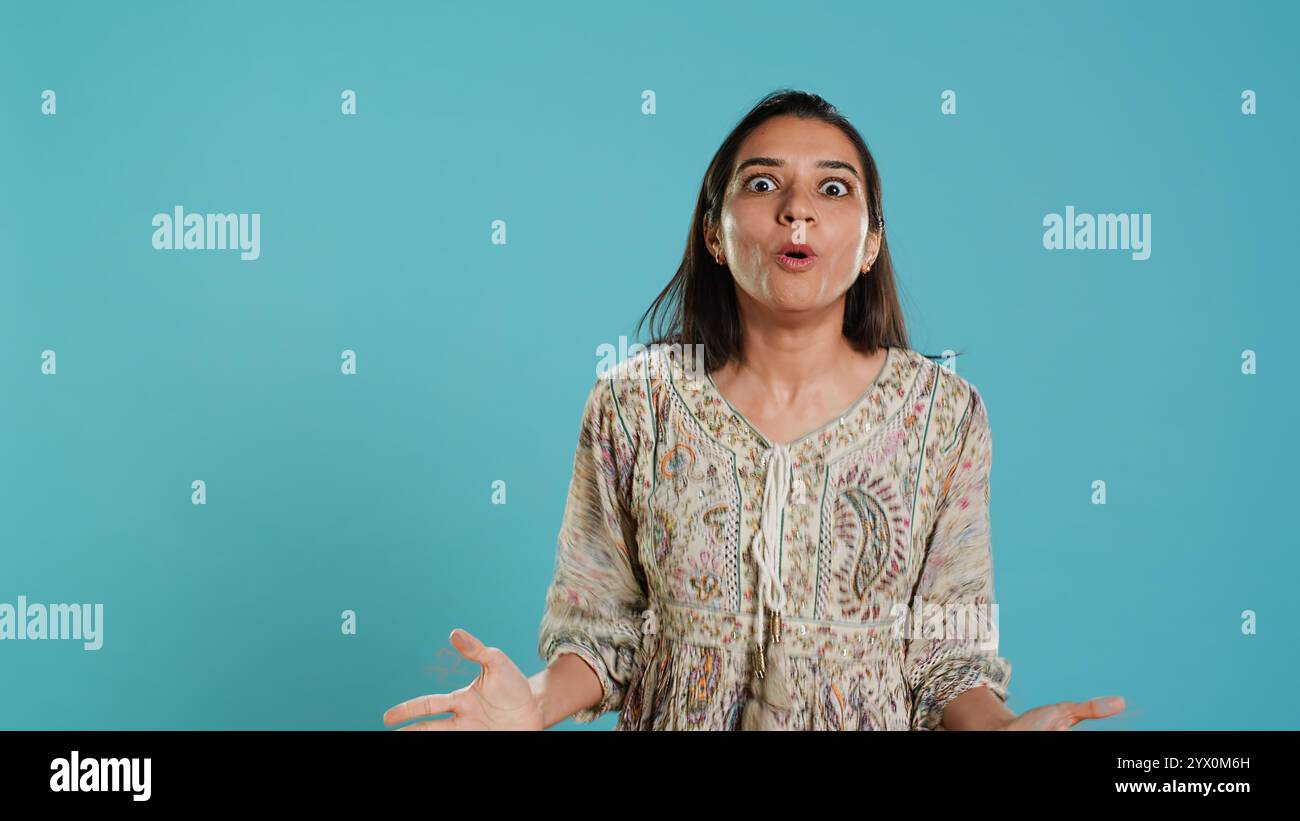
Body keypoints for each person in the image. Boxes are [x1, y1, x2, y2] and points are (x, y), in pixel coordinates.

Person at [383, 89, 1126, 731]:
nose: (797, 209)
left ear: (871, 242)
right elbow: (601, 630)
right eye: (763, 184)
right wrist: (533, 703)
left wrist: (1000, 728)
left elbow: (949, 654)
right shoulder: (636, 403)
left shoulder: (941, 414)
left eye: (833, 189)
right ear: (714, 232)